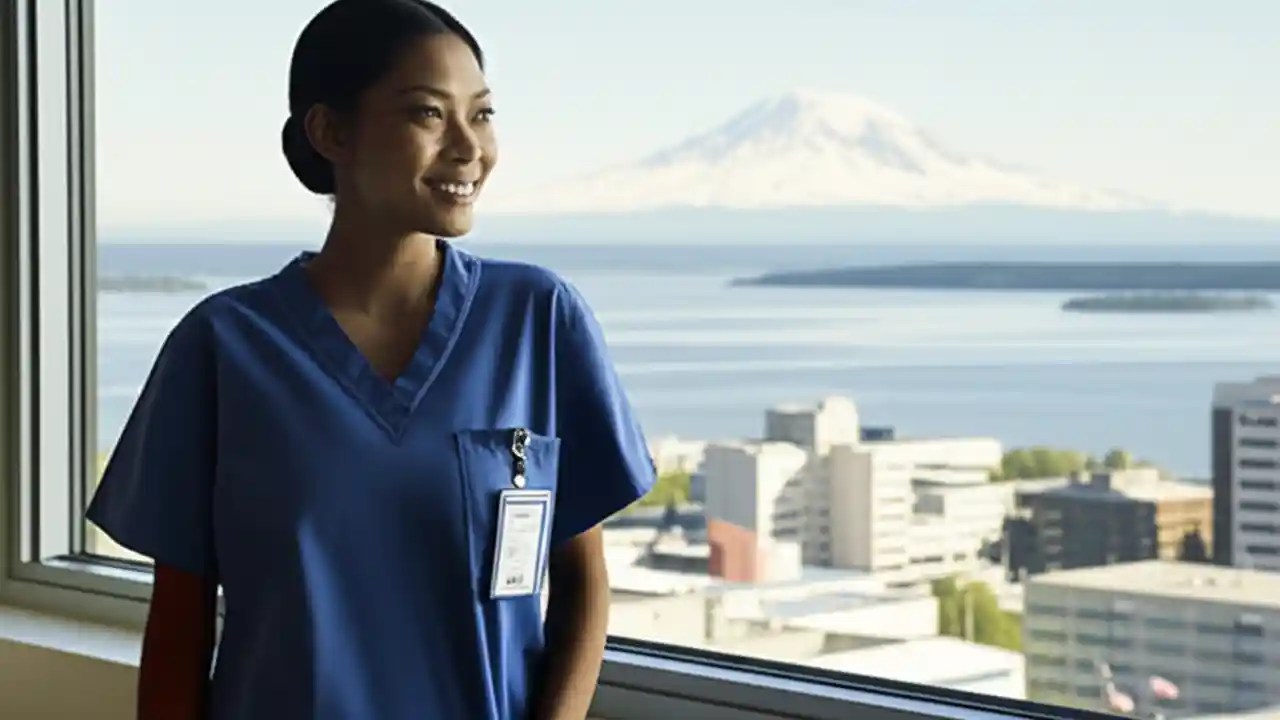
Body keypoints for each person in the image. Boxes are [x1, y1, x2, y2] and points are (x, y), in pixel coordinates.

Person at [86, 1, 656, 718]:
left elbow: (581, 584)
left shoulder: (538, 320)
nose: (468, 147)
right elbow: (177, 626)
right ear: (331, 131)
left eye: (481, 114)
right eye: (428, 114)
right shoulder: (223, 348)